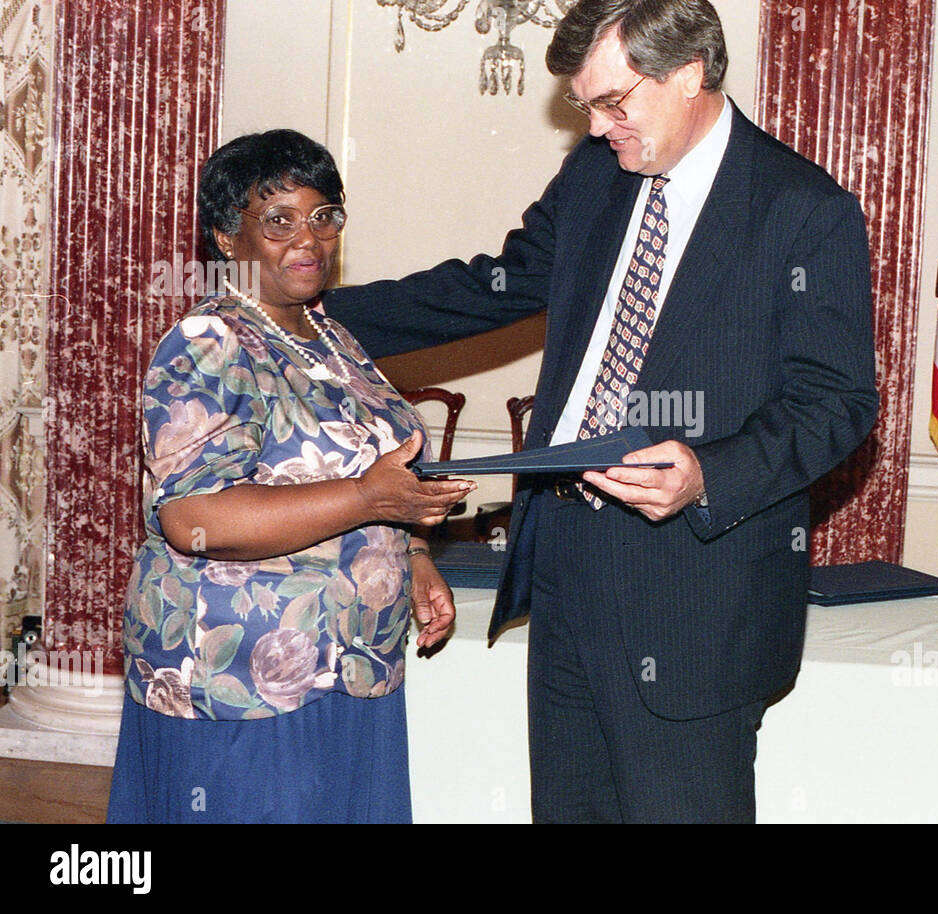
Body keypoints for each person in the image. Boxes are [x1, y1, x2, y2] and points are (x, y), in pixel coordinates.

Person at [326, 0, 878, 823]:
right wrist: (315, 313)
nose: (595, 128)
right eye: (585, 106)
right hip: (568, 563)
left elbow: (837, 401)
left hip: (696, 594)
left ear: (690, 74)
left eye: (613, 103)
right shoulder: (598, 175)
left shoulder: (803, 210)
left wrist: (707, 474)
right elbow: (495, 286)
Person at [107, 129, 474, 824]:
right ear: (226, 237)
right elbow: (195, 521)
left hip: (351, 666)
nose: (308, 237)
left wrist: (415, 554)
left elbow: (374, 472)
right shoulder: (210, 341)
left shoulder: (330, 336)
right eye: (278, 221)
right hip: (242, 678)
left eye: (324, 215)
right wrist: (368, 497)